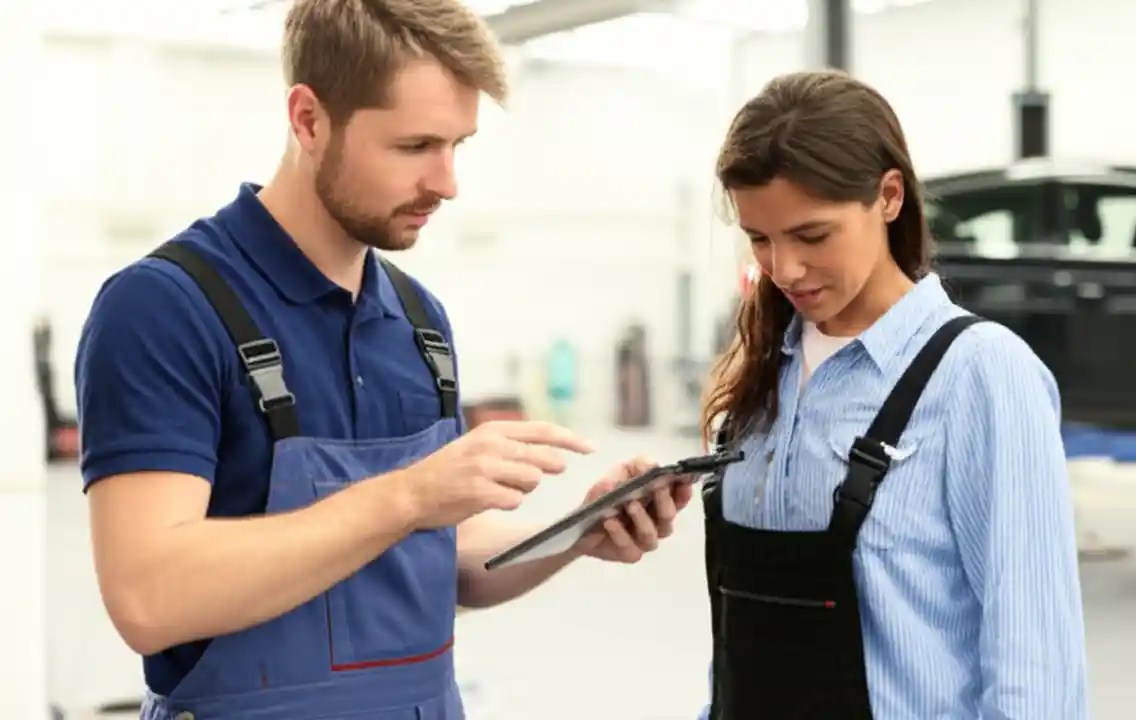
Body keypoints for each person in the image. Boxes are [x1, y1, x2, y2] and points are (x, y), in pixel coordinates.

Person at [73, 2, 692, 718]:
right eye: (415, 145)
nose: (447, 182)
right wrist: (411, 494)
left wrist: (575, 534)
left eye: (458, 145)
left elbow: (440, 553)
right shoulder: (165, 309)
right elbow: (150, 597)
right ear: (308, 120)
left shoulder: (418, 321)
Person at [695, 70, 1088, 719]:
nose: (784, 268)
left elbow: (1035, 666)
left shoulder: (980, 377)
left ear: (888, 196)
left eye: (811, 235)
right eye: (760, 238)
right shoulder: (761, 379)